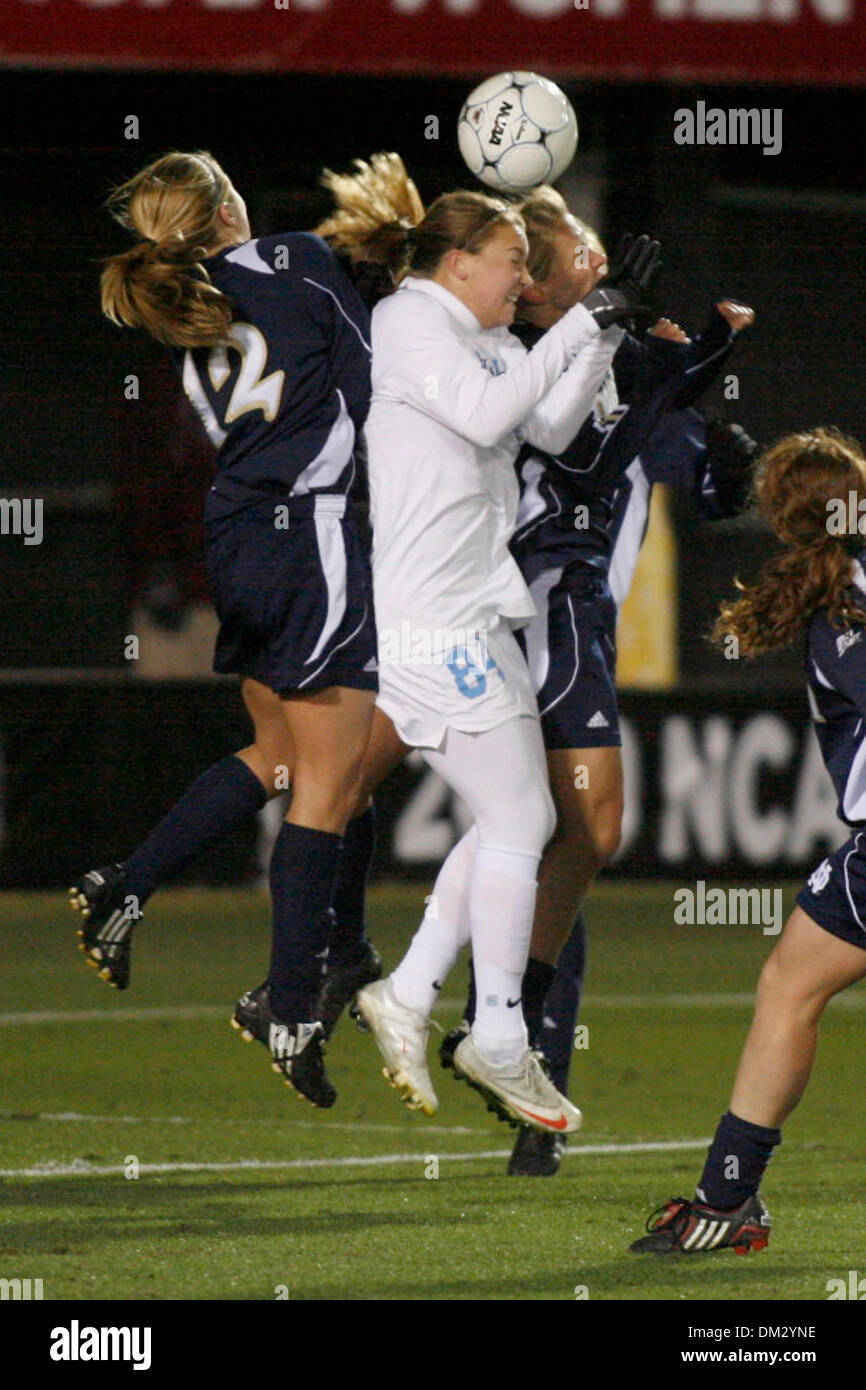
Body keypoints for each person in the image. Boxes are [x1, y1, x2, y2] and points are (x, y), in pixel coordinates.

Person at [427, 187, 756, 1169]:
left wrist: (718, 470)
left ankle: (515, 1069)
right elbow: (575, 437)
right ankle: (430, 1015)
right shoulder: (523, 362)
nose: (592, 247)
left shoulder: (613, 349)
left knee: (557, 844)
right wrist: (634, 343)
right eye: (569, 239)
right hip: (525, 612)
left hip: (569, 619)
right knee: (563, 836)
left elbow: (675, 460)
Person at [348, 183, 663, 1134]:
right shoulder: (409, 319)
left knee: (511, 818)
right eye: (511, 261)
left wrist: (604, 332)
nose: (523, 277)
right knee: (526, 813)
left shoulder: (481, 333)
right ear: (459, 263)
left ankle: (407, 993)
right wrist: (581, 326)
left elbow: (548, 427)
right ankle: (491, 1031)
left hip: (479, 605)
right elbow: (489, 419)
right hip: (433, 615)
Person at [75, 149, 381, 1106]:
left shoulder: (185, 312)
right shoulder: (290, 259)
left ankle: (124, 884)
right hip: (314, 528)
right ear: (226, 207)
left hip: (240, 534)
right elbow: (376, 379)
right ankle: (291, 1003)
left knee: (281, 756)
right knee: (333, 785)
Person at [630, 426, 866, 1255]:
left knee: (788, 989)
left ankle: (727, 1198)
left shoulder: (842, 605)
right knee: (789, 983)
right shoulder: (841, 594)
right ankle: (726, 1197)